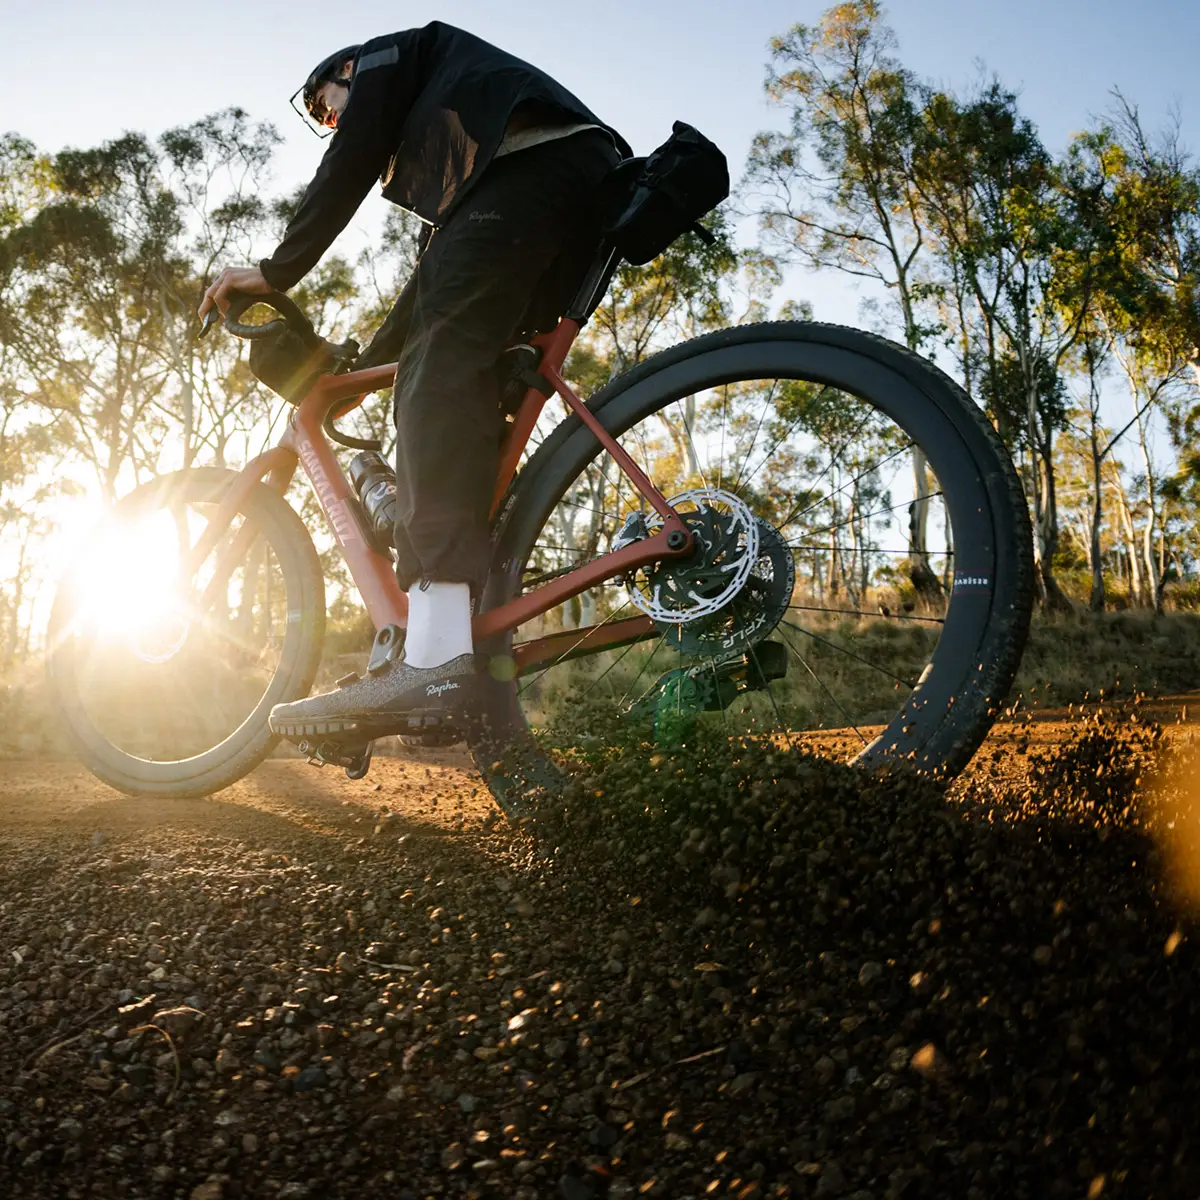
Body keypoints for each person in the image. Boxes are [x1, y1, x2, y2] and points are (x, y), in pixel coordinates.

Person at [198, 23, 628, 744]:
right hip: (563, 184)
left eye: (324, 104)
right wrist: (366, 368)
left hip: (545, 167)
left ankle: (434, 651)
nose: (331, 119)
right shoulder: (464, 166)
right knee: (451, 366)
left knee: (437, 373)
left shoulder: (390, 59)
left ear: (345, 70)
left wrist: (278, 270)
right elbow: (431, 286)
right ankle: (465, 629)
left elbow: (354, 151)